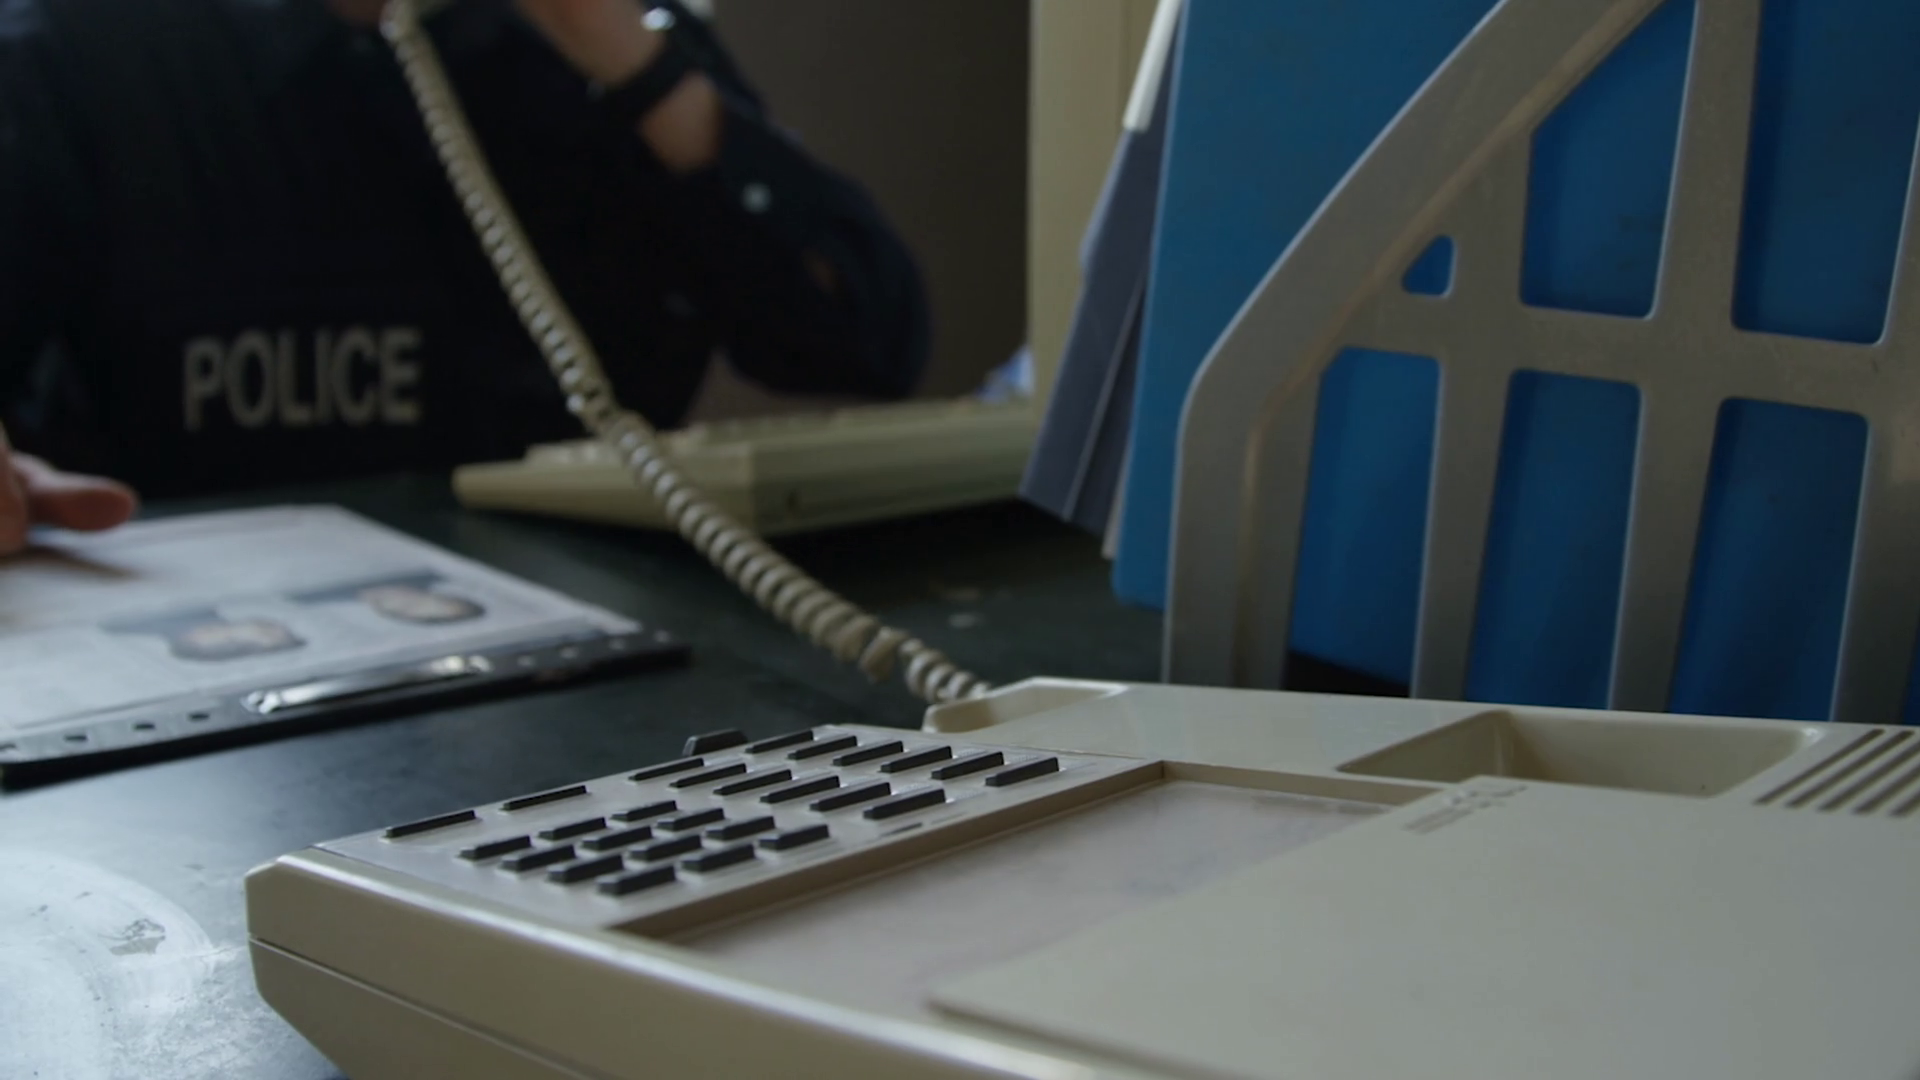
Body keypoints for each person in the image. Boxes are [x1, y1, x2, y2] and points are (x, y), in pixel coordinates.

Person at [0, 0, 931, 554]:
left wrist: (626, 59)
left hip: (594, 662)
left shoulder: (602, 52)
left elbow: (868, 339)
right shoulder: (81, 51)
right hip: (201, 647)